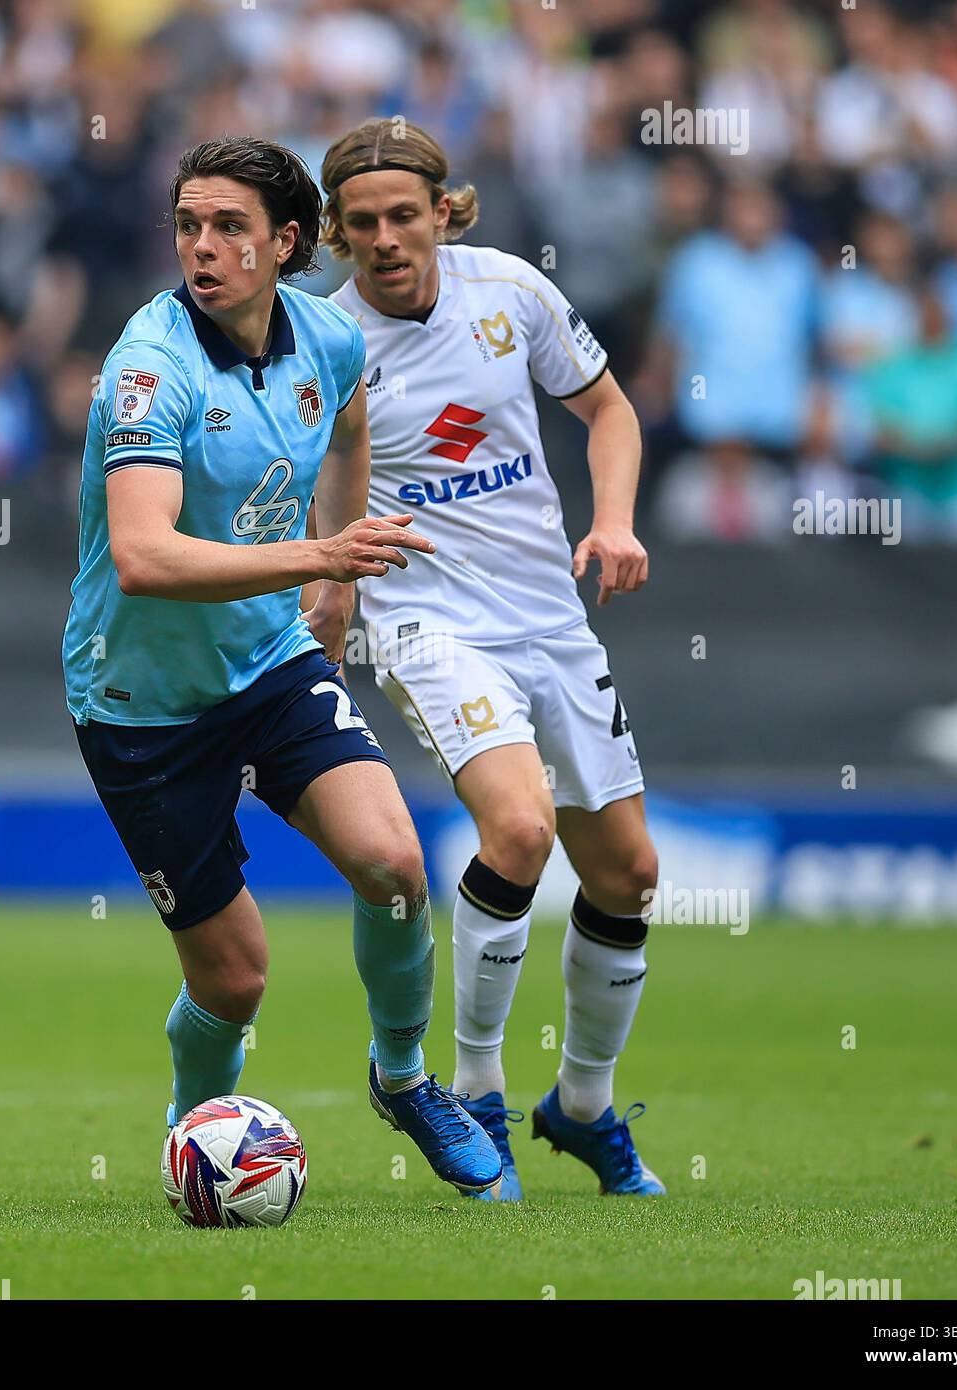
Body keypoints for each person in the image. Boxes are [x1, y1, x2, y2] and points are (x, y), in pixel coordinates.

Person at [61, 135, 502, 1196]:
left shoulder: (327, 339)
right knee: (236, 977)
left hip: (268, 660)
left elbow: (348, 429)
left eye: (228, 229)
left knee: (395, 865)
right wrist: (322, 552)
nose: (201, 249)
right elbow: (144, 554)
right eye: (187, 226)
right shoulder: (147, 368)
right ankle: (192, 1142)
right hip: (142, 704)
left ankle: (401, 1077)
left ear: (288, 242)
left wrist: (336, 588)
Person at [322, 118, 663, 1199]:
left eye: (403, 215)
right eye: (362, 221)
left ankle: (582, 1106)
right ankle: (469, 1092)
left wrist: (613, 520)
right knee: (516, 829)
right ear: (334, 231)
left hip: (549, 620)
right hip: (422, 622)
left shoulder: (509, 291)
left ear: (442, 211)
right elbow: (308, 482)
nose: (385, 238)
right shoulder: (324, 342)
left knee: (629, 874)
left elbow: (607, 409)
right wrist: (326, 586)